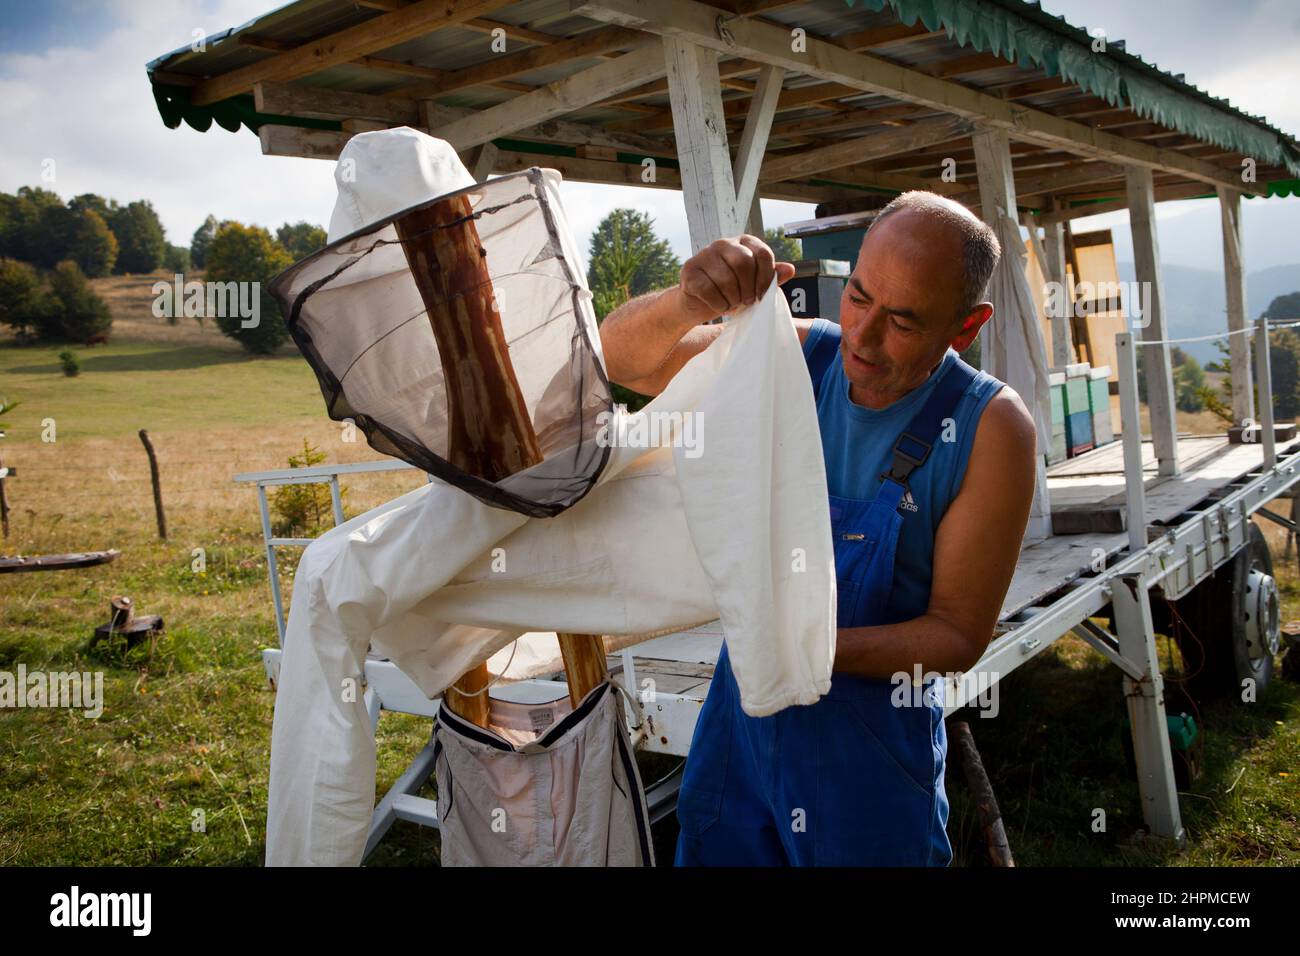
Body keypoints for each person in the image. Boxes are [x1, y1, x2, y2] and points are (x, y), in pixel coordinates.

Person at [597, 190, 1037, 866]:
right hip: (738, 726)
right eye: (858, 296)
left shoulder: (988, 428)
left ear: (965, 327)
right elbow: (623, 363)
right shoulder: (802, 358)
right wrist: (687, 300)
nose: (861, 335)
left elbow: (956, 634)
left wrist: (800, 650)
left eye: (902, 321)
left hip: (868, 756)